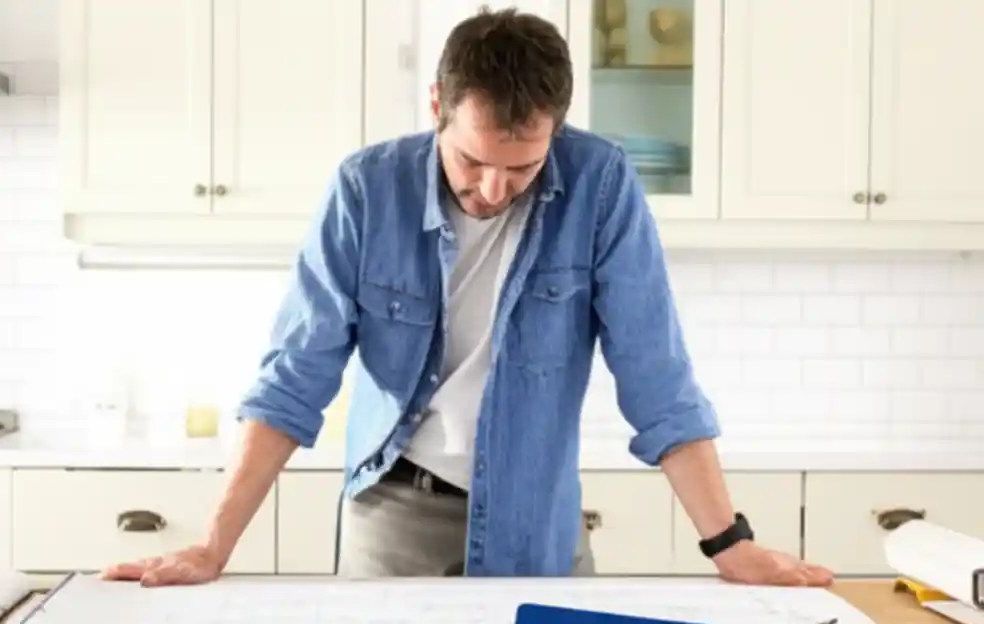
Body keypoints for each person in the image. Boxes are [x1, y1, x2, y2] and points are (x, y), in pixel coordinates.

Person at [102, 9, 834, 589]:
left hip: (536, 515)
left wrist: (728, 545)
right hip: (395, 511)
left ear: (558, 126)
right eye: (471, 159)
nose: (492, 190)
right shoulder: (365, 190)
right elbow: (296, 378)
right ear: (436, 108)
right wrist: (212, 545)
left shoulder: (601, 184)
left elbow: (657, 378)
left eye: (523, 167)